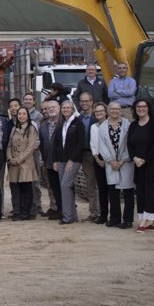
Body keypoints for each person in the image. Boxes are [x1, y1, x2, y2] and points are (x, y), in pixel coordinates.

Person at [128, 99, 154, 233]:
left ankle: (146, 220)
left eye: (144, 106)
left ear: (148, 108)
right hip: (139, 164)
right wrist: (134, 158)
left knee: (153, 192)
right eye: (138, 107)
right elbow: (129, 144)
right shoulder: (133, 125)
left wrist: (143, 159)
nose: (141, 109)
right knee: (141, 192)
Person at [97, 102, 135, 229]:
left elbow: (130, 144)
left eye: (117, 109)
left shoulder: (127, 125)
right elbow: (101, 145)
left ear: (120, 111)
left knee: (128, 191)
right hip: (111, 163)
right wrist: (110, 161)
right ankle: (115, 218)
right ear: (108, 110)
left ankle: (128, 219)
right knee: (113, 192)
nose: (115, 111)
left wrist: (123, 160)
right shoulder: (103, 127)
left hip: (125, 162)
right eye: (112, 109)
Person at [53, 100, 84, 225]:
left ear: (72, 109)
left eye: (68, 108)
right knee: (67, 187)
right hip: (60, 160)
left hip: (73, 160)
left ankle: (67, 217)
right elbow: (56, 144)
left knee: (65, 185)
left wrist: (72, 159)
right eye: (64, 108)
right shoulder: (61, 124)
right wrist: (55, 160)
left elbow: (80, 143)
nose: (66, 110)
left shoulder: (78, 123)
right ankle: (73, 215)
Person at [6, 106, 39, 221]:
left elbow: (31, 147)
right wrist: (10, 158)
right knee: (15, 189)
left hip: (25, 163)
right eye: (20, 114)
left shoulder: (31, 128)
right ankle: (17, 212)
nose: (21, 116)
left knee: (26, 189)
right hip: (13, 163)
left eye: (24, 114)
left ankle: (26, 212)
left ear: (27, 115)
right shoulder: (13, 129)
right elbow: (9, 145)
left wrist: (19, 159)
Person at [78, 92, 101, 221]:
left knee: (101, 184)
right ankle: (93, 213)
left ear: (91, 102)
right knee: (90, 184)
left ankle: (103, 212)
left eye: (87, 101)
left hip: (99, 154)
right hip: (85, 154)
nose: (84, 103)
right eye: (82, 101)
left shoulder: (97, 116)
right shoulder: (79, 118)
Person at [38, 100, 62, 220]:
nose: (50, 110)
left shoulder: (63, 124)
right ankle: (58, 209)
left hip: (62, 162)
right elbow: (42, 144)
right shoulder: (43, 126)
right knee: (54, 187)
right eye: (48, 108)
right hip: (48, 161)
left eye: (53, 107)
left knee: (64, 187)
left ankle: (67, 211)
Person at [88, 102, 109, 225]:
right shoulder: (93, 127)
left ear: (106, 112)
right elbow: (92, 144)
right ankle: (103, 215)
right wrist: (97, 159)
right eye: (96, 112)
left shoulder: (109, 125)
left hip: (110, 159)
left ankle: (114, 214)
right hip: (98, 158)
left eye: (101, 111)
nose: (99, 113)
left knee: (111, 189)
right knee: (101, 189)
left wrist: (107, 159)